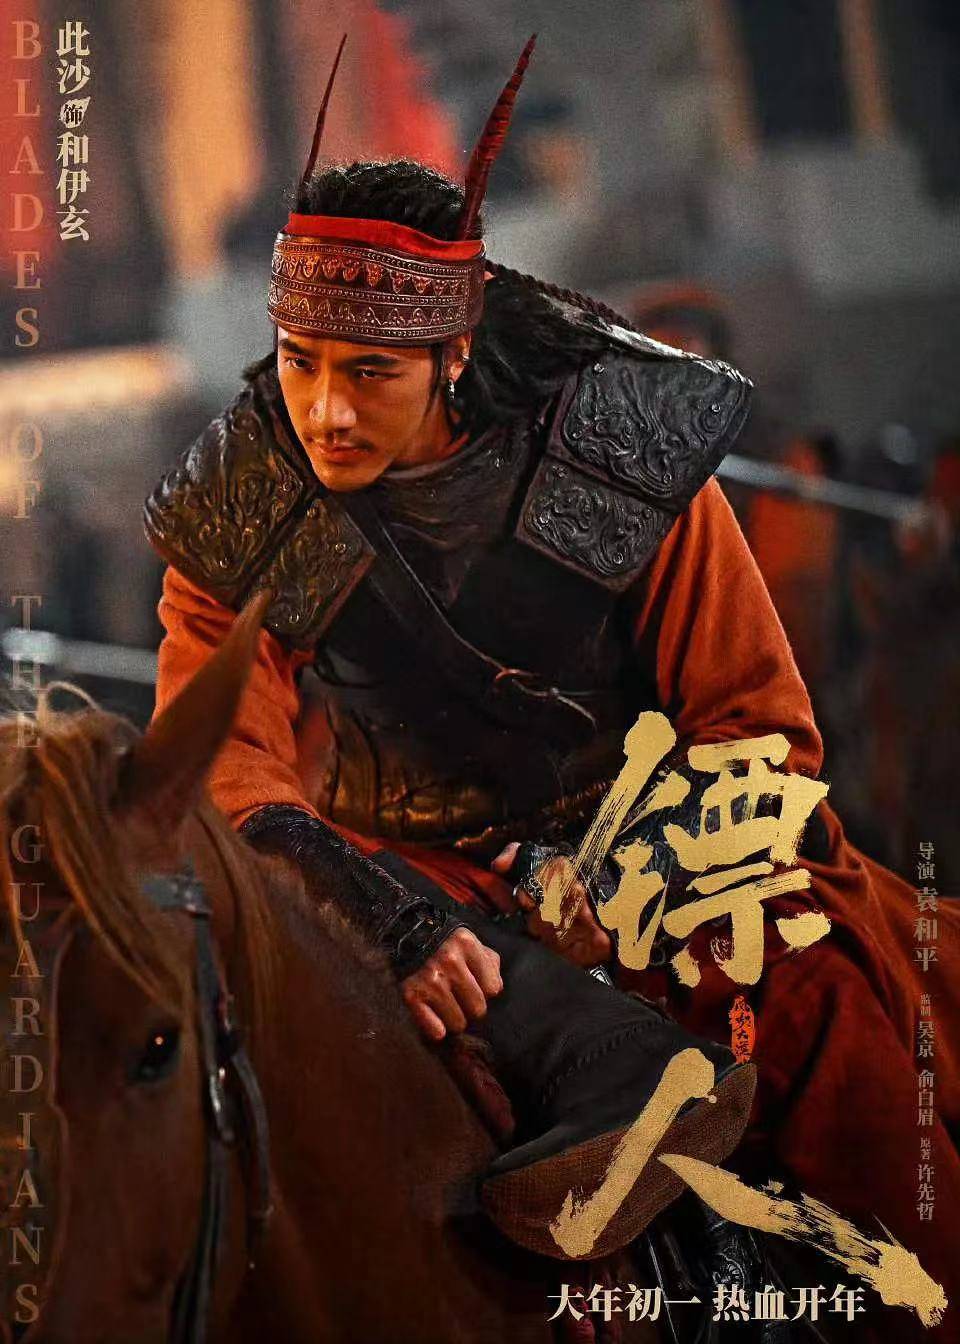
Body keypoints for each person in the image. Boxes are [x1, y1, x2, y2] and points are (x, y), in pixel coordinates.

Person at [145, 39, 958, 1322]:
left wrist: (604, 879)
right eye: (300, 362)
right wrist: (386, 916)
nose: (325, 412)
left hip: (655, 865)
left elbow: (756, 729)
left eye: (369, 373)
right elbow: (217, 765)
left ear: (452, 354)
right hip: (402, 877)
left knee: (825, 1016)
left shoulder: (618, 452)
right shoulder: (244, 500)